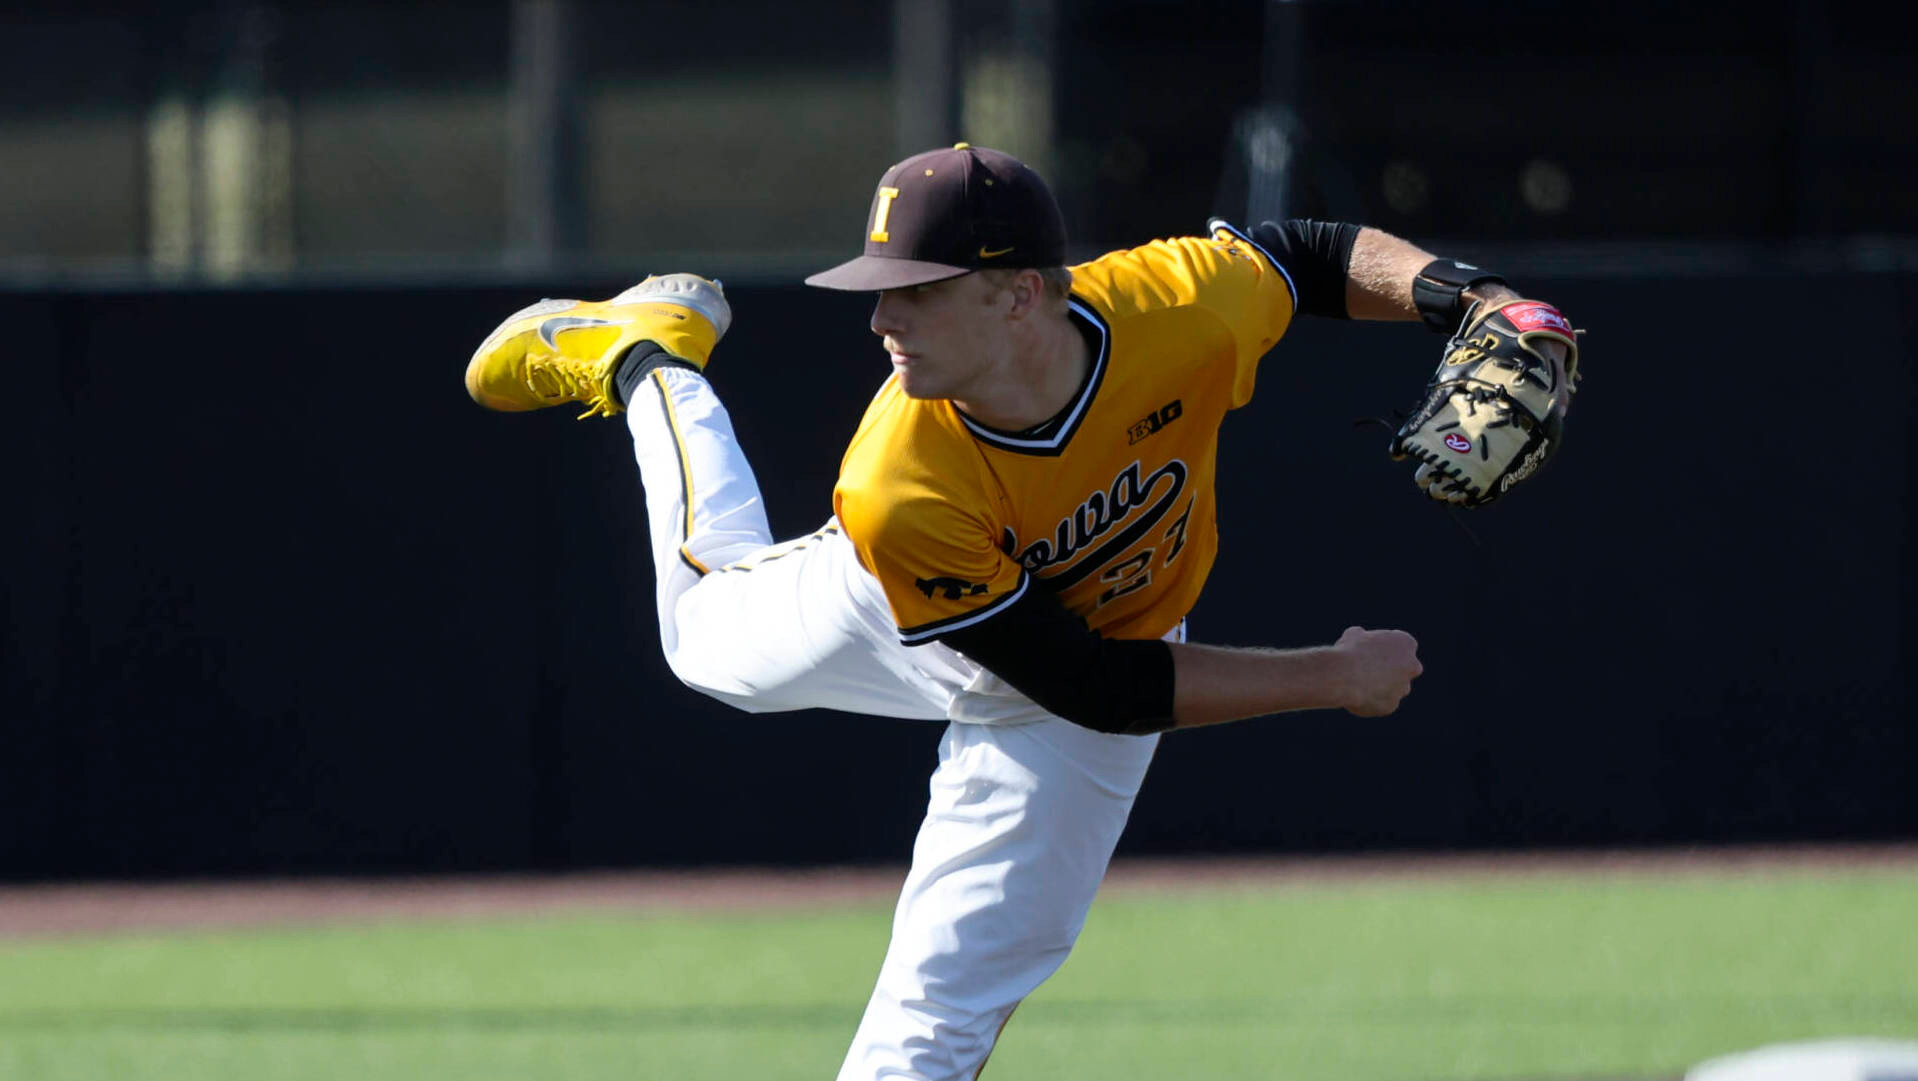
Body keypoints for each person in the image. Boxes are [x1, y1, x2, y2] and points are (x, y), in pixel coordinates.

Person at [464, 142, 1567, 1081]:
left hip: (1107, 655)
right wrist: (1327, 676)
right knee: (704, 638)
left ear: (1020, 290)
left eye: (917, 288)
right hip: (927, 618)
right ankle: (648, 358)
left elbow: (1308, 255)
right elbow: (1096, 688)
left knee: (938, 1018)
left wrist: (1475, 299)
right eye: (881, 288)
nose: (882, 319)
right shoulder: (901, 481)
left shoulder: (1174, 306)